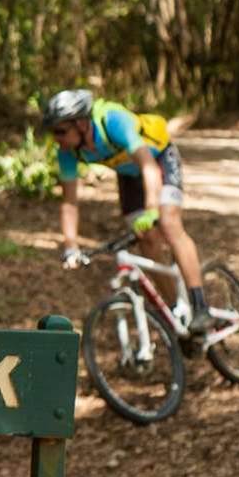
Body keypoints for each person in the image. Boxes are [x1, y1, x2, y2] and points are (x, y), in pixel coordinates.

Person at [39, 88, 210, 334]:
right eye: (53, 132)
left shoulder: (113, 122)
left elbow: (149, 167)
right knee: (146, 240)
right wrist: (70, 246)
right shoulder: (67, 151)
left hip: (159, 159)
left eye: (61, 131)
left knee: (169, 224)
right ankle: (176, 310)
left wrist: (152, 209)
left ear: (81, 123)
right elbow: (69, 203)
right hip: (129, 174)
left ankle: (200, 306)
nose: (57, 139)